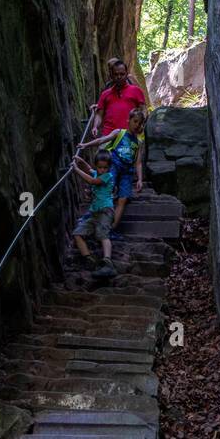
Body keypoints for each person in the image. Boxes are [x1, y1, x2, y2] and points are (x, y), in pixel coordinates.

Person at [80, 107, 146, 236]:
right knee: (105, 190)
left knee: (123, 199)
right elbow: (101, 140)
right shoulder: (119, 133)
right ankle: (91, 217)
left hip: (127, 172)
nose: (137, 125)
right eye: (135, 121)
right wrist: (86, 145)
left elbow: (138, 162)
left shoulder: (138, 142)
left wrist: (139, 179)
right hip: (114, 165)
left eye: (139, 122)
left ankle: (111, 228)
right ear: (129, 120)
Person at [71, 149, 116, 277]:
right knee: (77, 234)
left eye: (105, 168)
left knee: (103, 234)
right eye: (100, 167)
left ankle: (107, 261)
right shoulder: (97, 172)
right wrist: (81, 161)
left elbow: (92, 181)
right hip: (95, 213)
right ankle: (89, 259)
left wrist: (76, 169)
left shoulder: (108, 176)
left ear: (109, 168)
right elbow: (89, 169)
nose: (102, 170)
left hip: (106, 210)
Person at [91, 58, 146, 138]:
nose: (119, 77)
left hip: (128, 135)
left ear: (126, 74)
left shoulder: (135, 90)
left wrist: (140, 123)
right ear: (111, 74)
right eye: (116, 74)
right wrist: (95, 126)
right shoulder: (106, 92)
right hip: (107, 136)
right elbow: (99, 114)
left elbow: (143, 109)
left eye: (122, 74)